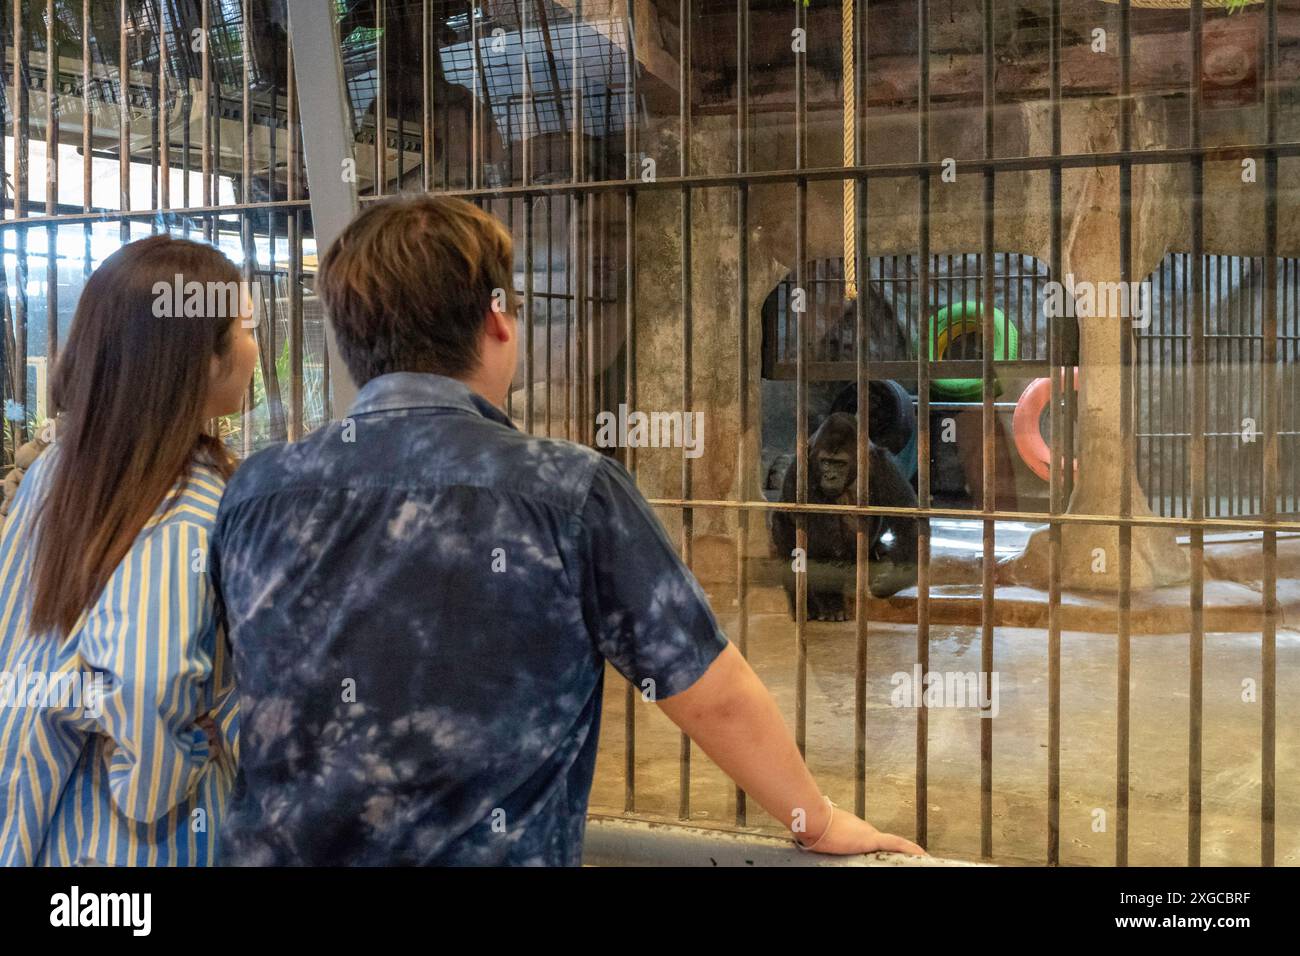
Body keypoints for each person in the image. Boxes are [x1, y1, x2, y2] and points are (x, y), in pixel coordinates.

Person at [211, 194, 925, 865]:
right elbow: (713, 693)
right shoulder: (568, 492)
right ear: (497, 322)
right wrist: (817, 819)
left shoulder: (253, 490)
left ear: (344, 340)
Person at [0, 236, 255, 865]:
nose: (256, 348)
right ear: (203, 360)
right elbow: (148, 680)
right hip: (149, 842)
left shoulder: (53, 469)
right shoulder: (192, 503)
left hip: (47, 825)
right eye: (247, 329)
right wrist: (174, 763)